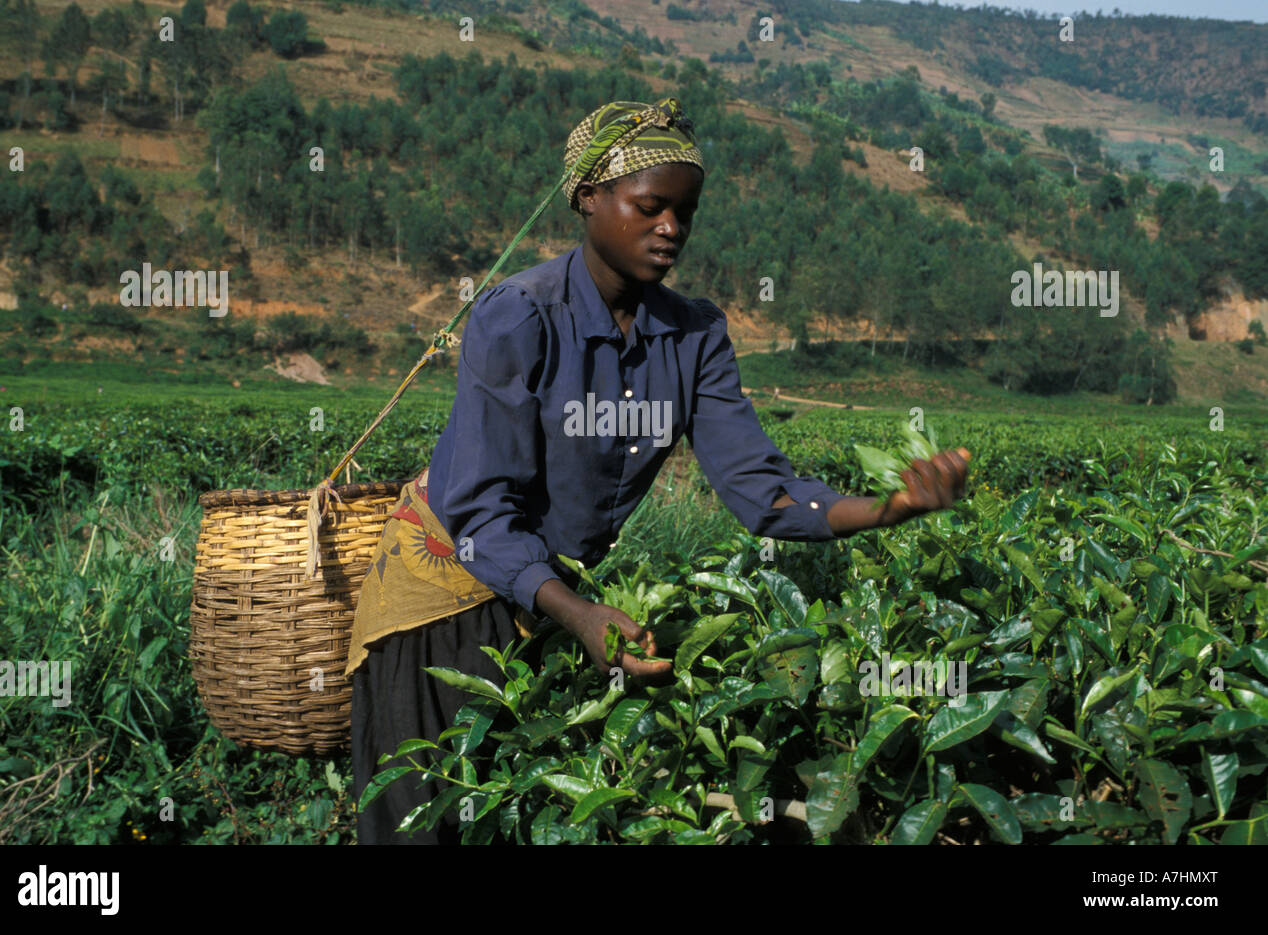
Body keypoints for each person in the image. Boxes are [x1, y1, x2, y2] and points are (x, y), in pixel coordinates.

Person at [349, 97, 970, 845]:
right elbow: (483, 515)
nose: (670, 228)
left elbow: (761, 491)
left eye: (685, 211)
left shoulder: (694, 334)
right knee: (430, 822)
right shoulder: (518, 316)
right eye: (650, 207)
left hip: (552, 599)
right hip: (446, 599)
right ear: (588, 199)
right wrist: (578, 615)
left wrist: (884, 509)